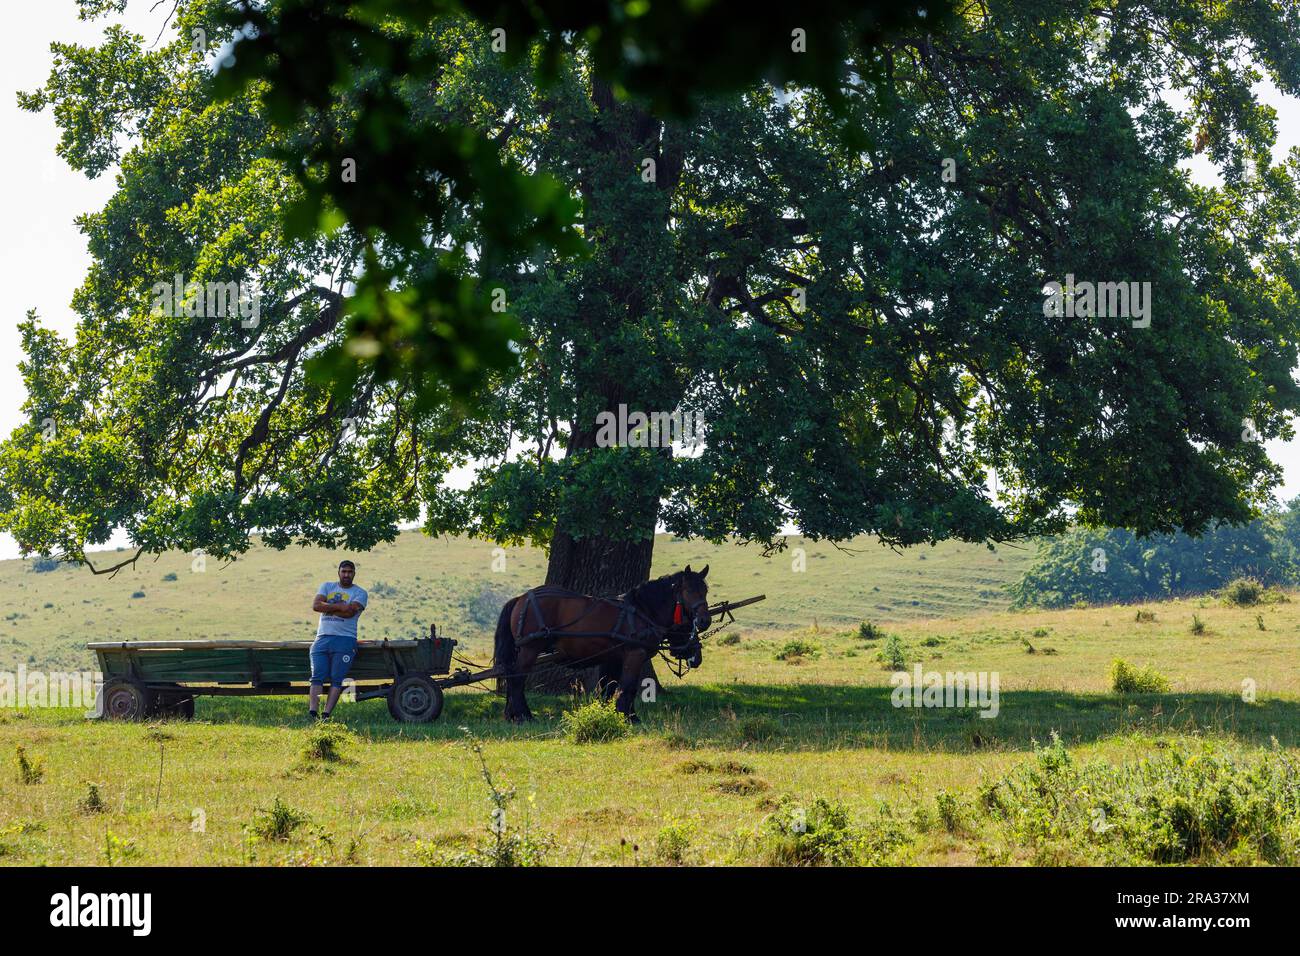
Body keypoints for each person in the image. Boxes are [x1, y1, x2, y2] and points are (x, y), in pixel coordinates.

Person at [308, 559, 368, 720]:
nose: (346, 574)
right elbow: (315, 605)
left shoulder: (360, 593)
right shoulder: (327, 586)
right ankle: (313, 712)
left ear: (354, 573)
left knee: (337, 677)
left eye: (350, 572)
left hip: (345, 639)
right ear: (339, 572)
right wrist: (340, 606)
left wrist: (327, 607)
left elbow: (350, 613)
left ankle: (326, 714)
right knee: (317, 676)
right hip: (322, 638)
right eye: (344, 571)